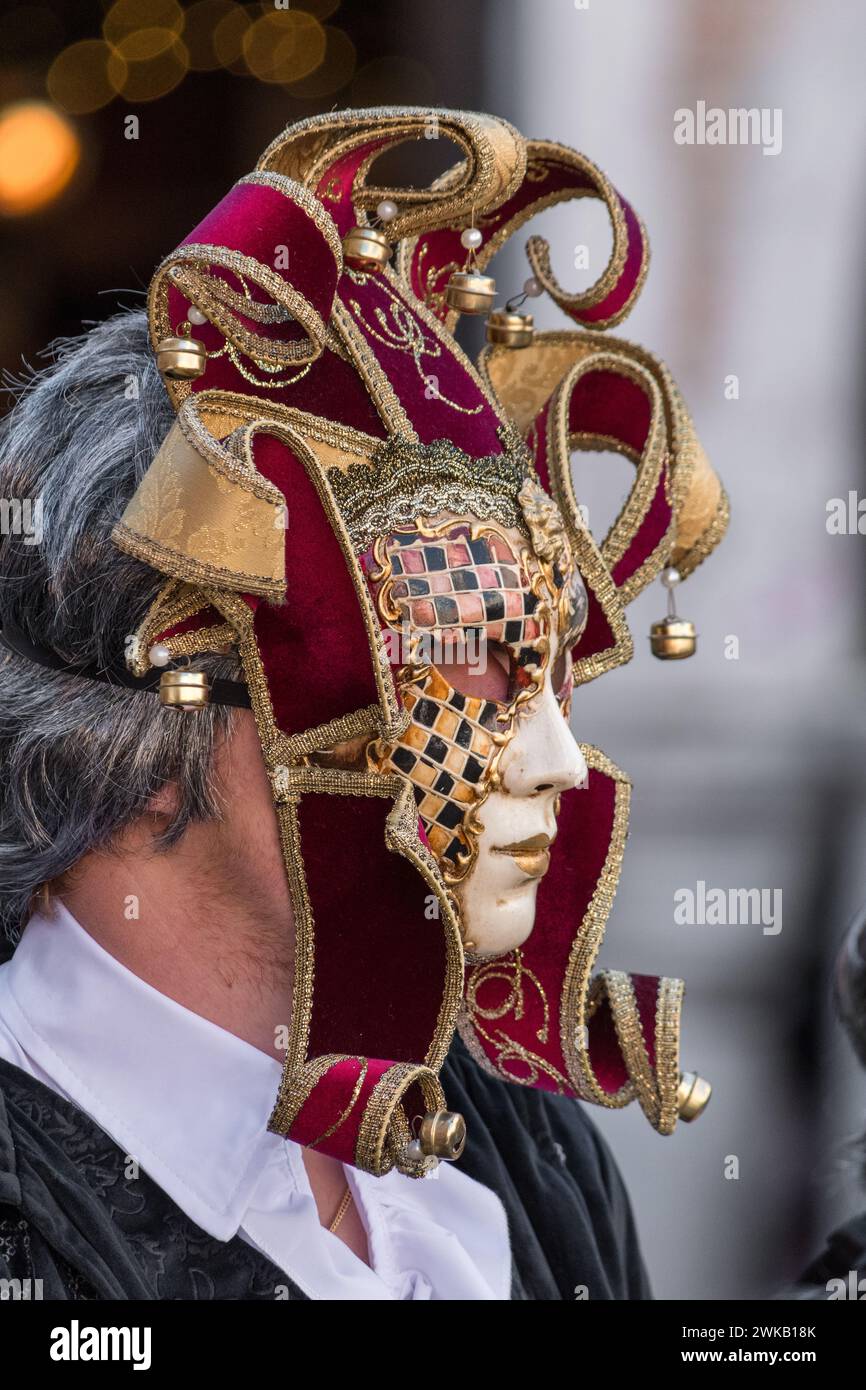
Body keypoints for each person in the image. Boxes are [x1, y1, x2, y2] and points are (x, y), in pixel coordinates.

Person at [0, 107, 727, 1301]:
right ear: (149, 750)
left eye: (546, 668)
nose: (557, 758)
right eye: (453, 668)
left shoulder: (515, 1140)